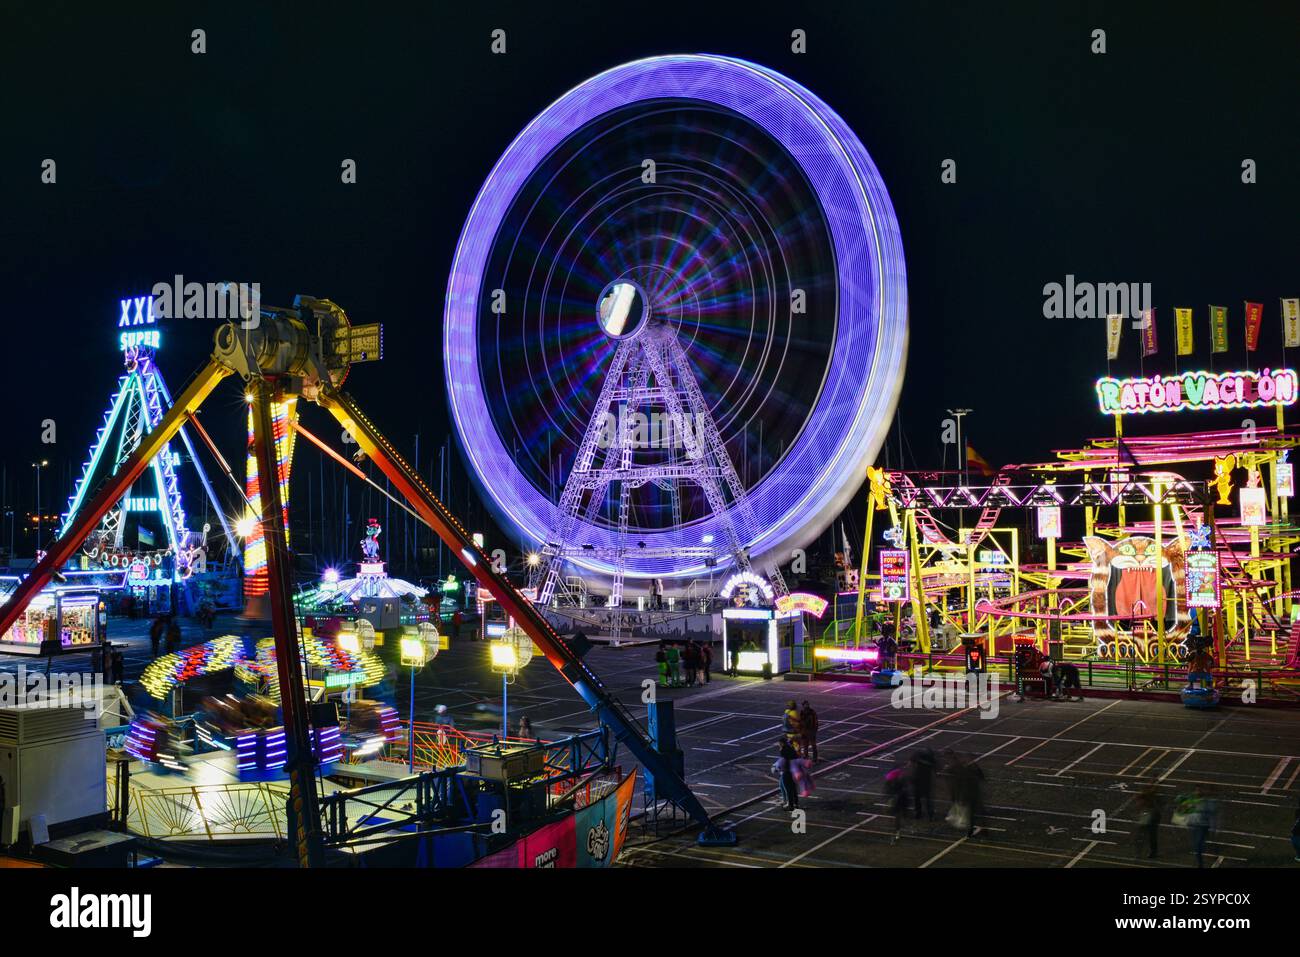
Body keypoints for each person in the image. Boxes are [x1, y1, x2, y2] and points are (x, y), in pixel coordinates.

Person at [1188, 786, 1217, 868]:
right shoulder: (1192, 801)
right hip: (1195, 825)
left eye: (1199, 790)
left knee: (1198, 844)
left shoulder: (1206, 802)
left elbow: (1211, 814)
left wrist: (1213, 827)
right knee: (1197, 844)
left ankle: (1200, 862)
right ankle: (1200, 860)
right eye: (1196, 790)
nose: (1197, 792)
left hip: (1202, 826)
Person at [1134, 784, 1162, 859]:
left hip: (1148, 815)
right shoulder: (1149, 796)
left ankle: (1140, 853)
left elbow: (1139, 804)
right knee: (1150, 836)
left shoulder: (1146, 796)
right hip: (1150, 815)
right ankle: (1151, 852)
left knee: (1144, 835)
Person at [884, 762, 910, 843]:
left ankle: (898, 831)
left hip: (897, 800)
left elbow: (887, 791)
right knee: (899, 816)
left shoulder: (890, 780)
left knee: (898, 816)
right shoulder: (900, 779)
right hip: (899, 800)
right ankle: (899, 831)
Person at [910, 747, 937, 821]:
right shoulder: (930, 762)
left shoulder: (919, 761)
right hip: (925, 781)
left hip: (920, 780)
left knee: (919, 798)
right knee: (927, 799)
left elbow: (912, 764)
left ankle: (919, 813)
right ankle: (929, 814)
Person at [773, 737, 800, 811]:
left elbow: (783, 761)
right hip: (793, 770)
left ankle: (790, 805)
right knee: (792, 787)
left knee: (788, 788)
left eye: (779, 744)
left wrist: (777, 768)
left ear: (782, 743)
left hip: (787, 771)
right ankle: (795, 803)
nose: (779, 745)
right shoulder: (791, 748)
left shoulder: (784, 750)